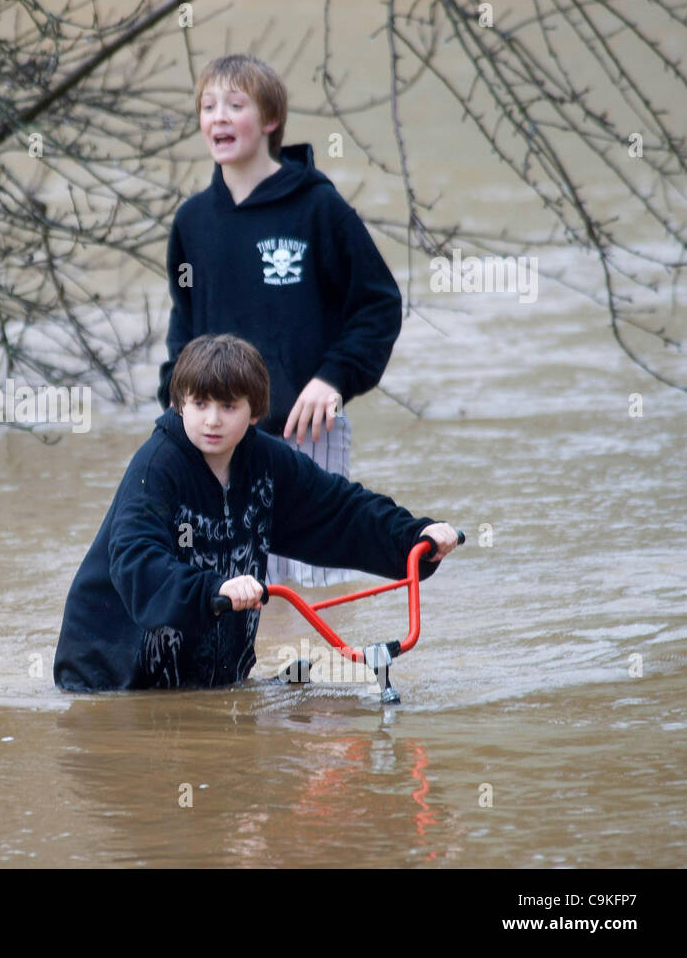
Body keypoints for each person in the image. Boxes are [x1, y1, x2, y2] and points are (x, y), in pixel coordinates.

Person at [54, 334, 457, 692]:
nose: (212, 420)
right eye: (200, 404)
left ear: (255, 412)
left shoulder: (265, 461)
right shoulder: (156, 466)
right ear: (179, 404)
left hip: (208, 685)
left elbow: (338, 510)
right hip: (111, 684)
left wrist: (414, 536)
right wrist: (211, 589)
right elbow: (135, 560)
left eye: (228, 406)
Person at [156, 55, 403, 586]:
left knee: (310, 592)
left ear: (269, 119)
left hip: (305, 431)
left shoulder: (319, 208)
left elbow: (378, 305)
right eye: (208, 106)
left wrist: (332, 379)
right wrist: (176, 408)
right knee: (241, 596)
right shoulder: (192, 222)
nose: (218, 117)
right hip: (216, 438)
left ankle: (319, 672)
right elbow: (184, 330)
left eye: (235, 105)